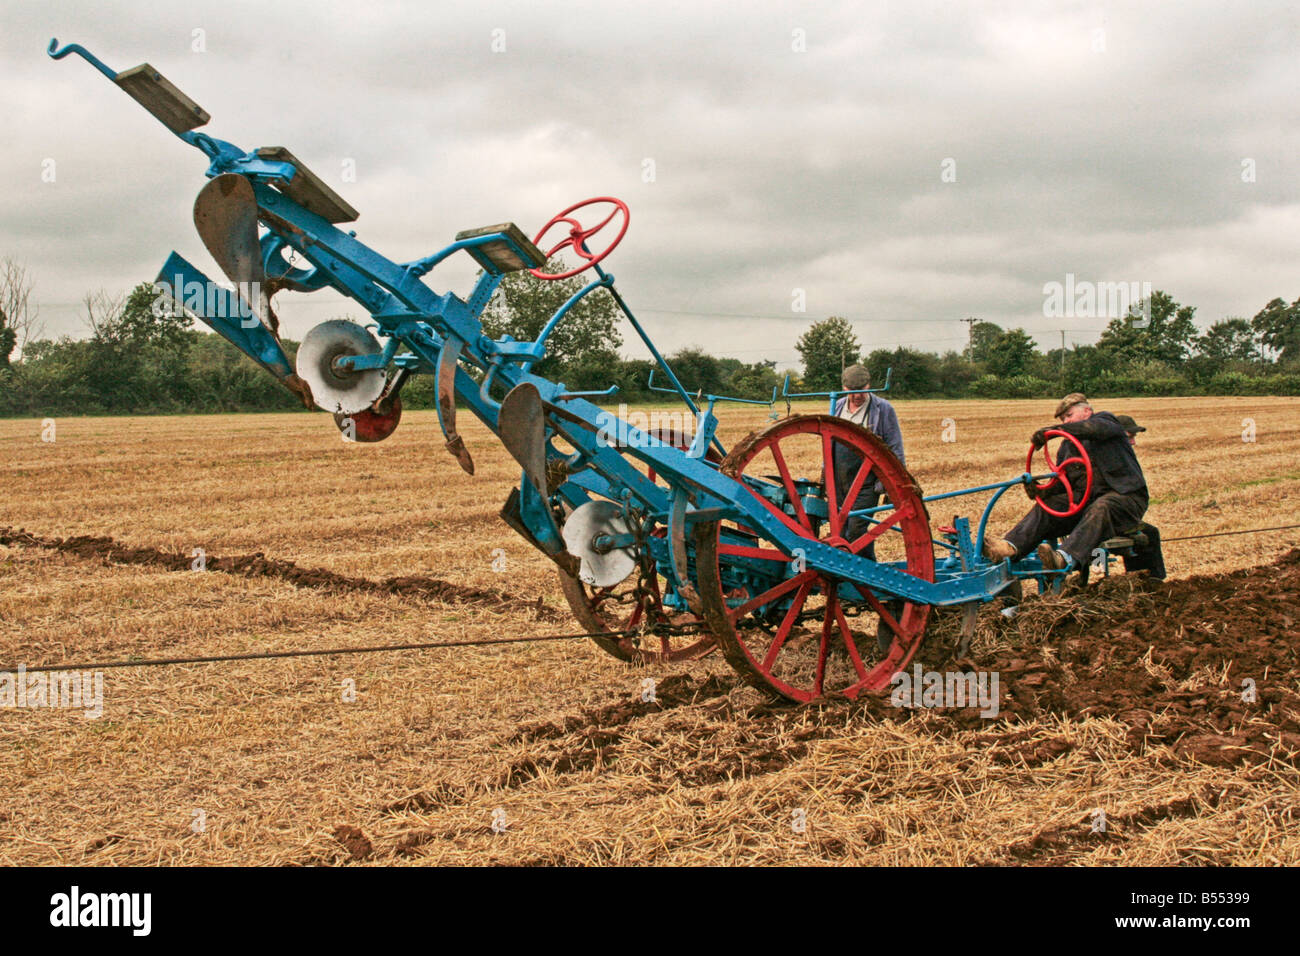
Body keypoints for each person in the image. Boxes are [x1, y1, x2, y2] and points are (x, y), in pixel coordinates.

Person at [984, 393, 1149, 573]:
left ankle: (1064, 558)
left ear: (1087, 411)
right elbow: (1063, 485)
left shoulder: (1107, 422)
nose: (1066, 422)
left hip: (1126, 500)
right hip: (1087, 505)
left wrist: (1053, 430)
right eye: (1063, 419)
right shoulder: (1067, 448)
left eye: (1069, 416)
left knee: (1103, 506)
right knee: (1049, 506)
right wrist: (1040, 491)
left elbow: (1093, 428)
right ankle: (1010, 547)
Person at [830, 365, 905, 544]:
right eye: (852, 392)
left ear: (869, 386)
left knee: (856, 531)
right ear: (844, 388)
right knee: (840, 531)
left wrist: (894, 483)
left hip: (867, 482)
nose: (857, 396)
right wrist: (826, 474)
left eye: (862, 391)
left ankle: (864, 568)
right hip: (840, 480)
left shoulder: (883, 409)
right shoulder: (837, 406)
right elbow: (828, 442)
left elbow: (895, 446)